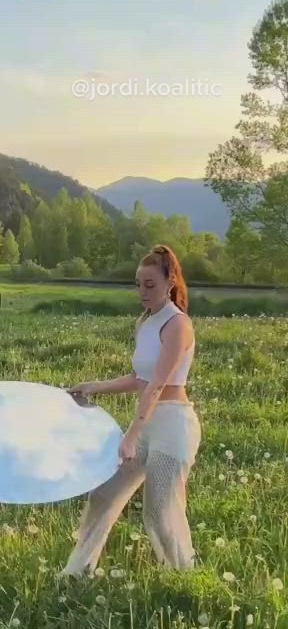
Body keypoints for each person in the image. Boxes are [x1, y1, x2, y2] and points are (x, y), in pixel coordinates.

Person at [61, 244, 201, 577]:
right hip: (148, 423)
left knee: (160, 513)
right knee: (105, 494)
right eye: (138, 284)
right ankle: (76, 573)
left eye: (150, 285)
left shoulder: (177, 325)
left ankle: (184, 577)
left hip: (173, 426)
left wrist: (131, 435)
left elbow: (156, 385)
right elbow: (139, 378)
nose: (142, 292)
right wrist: (95, 386)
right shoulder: (146, 322)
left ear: (170, 282)